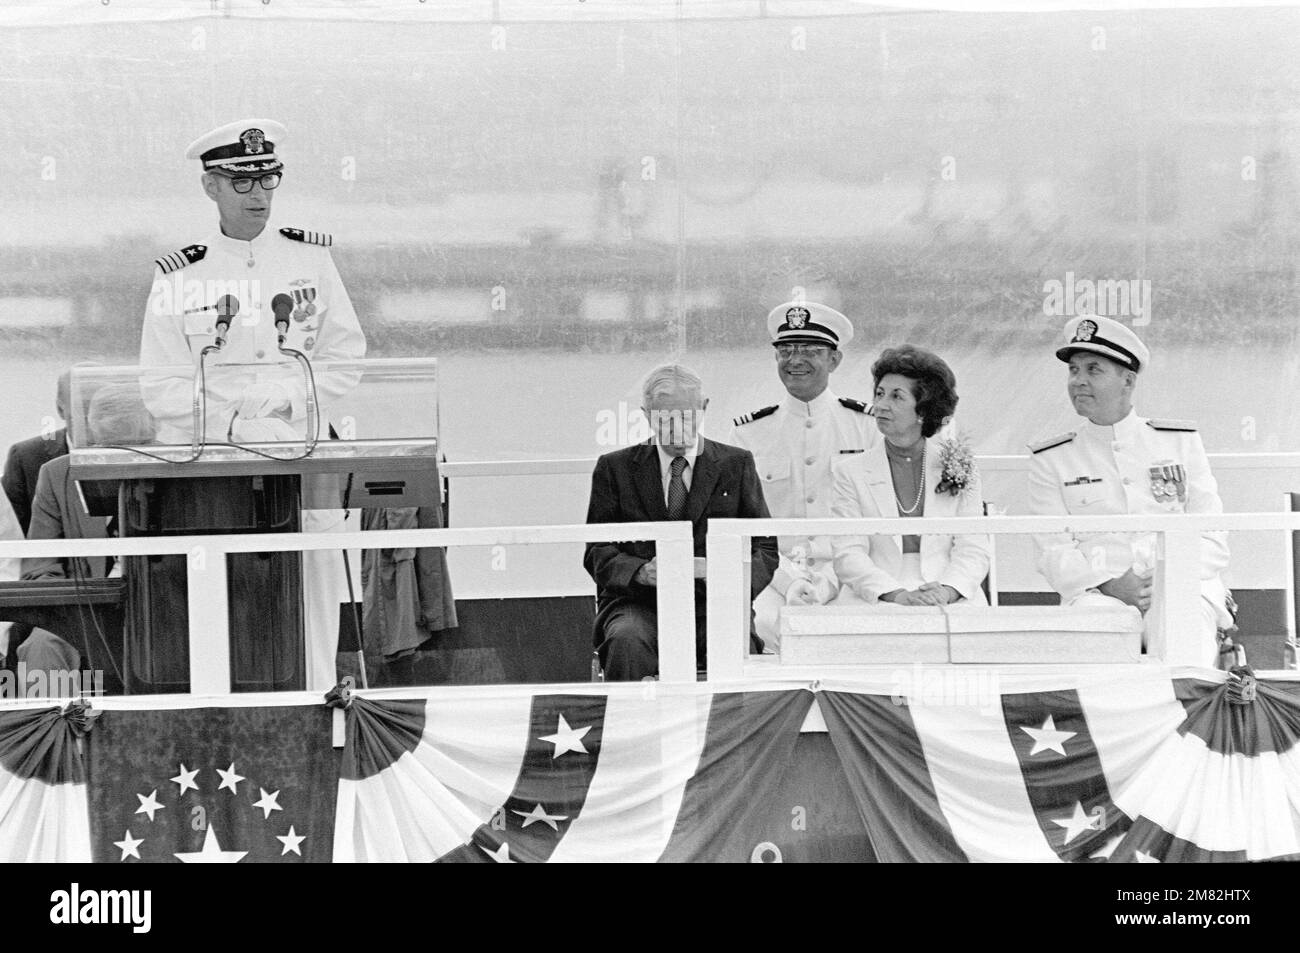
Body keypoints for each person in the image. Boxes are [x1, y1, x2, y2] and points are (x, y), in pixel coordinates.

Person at [137, 118, 367, 691]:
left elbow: (346, 359)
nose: (259, 194)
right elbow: (160, 386)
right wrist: (234, 420)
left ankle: (318, 709)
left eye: (268, 178)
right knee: (217, 594)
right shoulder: (181, 274)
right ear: (210, 186)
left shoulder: (310, 260)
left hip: (304, 454)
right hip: (212, 466)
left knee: (315, 589)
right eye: (241, 182)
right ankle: (218, 718)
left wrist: (284, 400)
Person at [1027, 315, 1231, 666]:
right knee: (1093, 637)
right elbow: (1052, 550)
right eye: (1074, 370)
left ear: (1128, 380)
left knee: (1182, 628)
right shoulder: (1053, 459)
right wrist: (1108, 583)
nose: (1079, 381)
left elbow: (1212, 536)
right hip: (1097, 594)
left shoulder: (1179, 442)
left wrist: (1162, 579)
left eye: (1094, 370)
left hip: (1179, 585)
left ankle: (1187, 717)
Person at [584, 364, 778, 680]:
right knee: (627, 640)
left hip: (713, 604)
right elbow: (597, 552)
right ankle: (632, 725)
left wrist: (721, 576)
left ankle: (734, 729)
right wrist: (642, 573)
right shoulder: (614, 469)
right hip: (639, 606)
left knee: (732, 640)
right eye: (664, 416)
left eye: (686, 415)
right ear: (646, 415)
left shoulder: (736, 464)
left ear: (704, 409)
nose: (676, 426)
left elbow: (765, 548)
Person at [728, 301, 878, 649]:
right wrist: (790, 582)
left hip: (848, 575)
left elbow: (874, 521)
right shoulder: (749, 434)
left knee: (860, 627)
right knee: (758, 625)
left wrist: (827, 581)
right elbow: (744, 529)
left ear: (834, 360)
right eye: (786, 350)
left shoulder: (866, 428)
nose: (795, 360)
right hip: (773, 580)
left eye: (810, 350)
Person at [830, 346, 991, 605]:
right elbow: (848, 553)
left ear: (923, 411)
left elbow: (973, 547)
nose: (880, 405)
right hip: (875, 593)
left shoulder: (962, 466)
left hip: (949, 588)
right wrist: (896, 595)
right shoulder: (850, 472)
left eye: (896, 397)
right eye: (879, 394)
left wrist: (948, 591)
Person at [3, 367, 76, 536]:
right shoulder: (26, 458)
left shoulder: (140, 457)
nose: (93, 418)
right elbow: (13, 536)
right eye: (82, 408)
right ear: (60, 410)